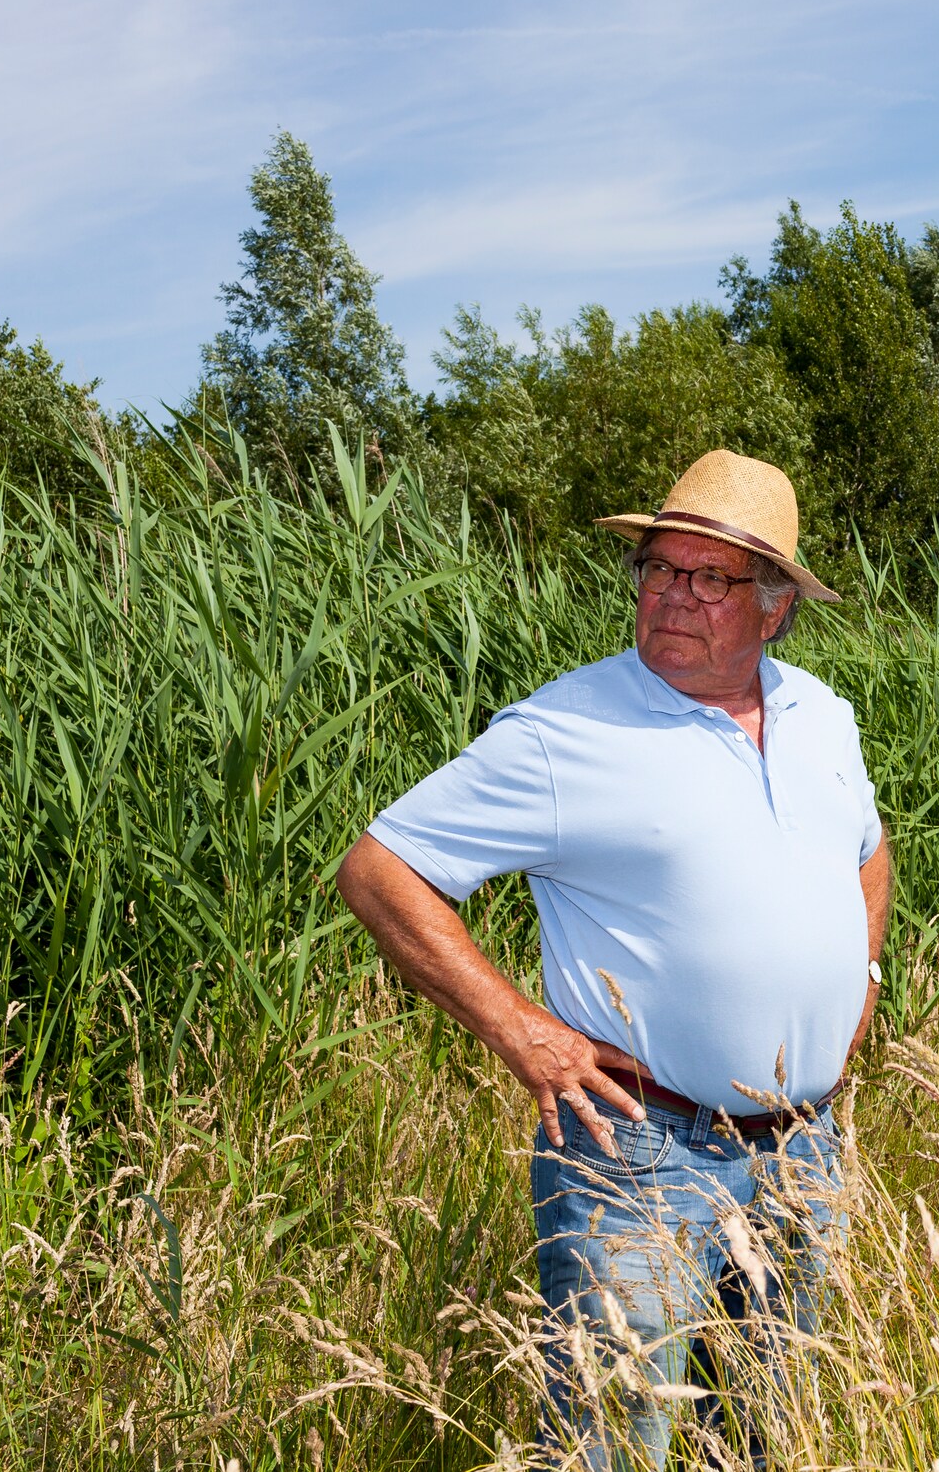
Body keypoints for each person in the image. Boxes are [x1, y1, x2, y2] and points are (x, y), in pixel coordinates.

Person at [334, 449, 890, 1468]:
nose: (673, 596)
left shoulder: (821, 716)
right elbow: (381, 871)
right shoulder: (565, 732)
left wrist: (860, 985)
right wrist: (526, 1035)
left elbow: (867, 850)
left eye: (710, 578)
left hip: (803, 1148)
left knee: (768, 1433)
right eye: (659, 569)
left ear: (774, 607)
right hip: (641, 1151)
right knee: (614, 1441)